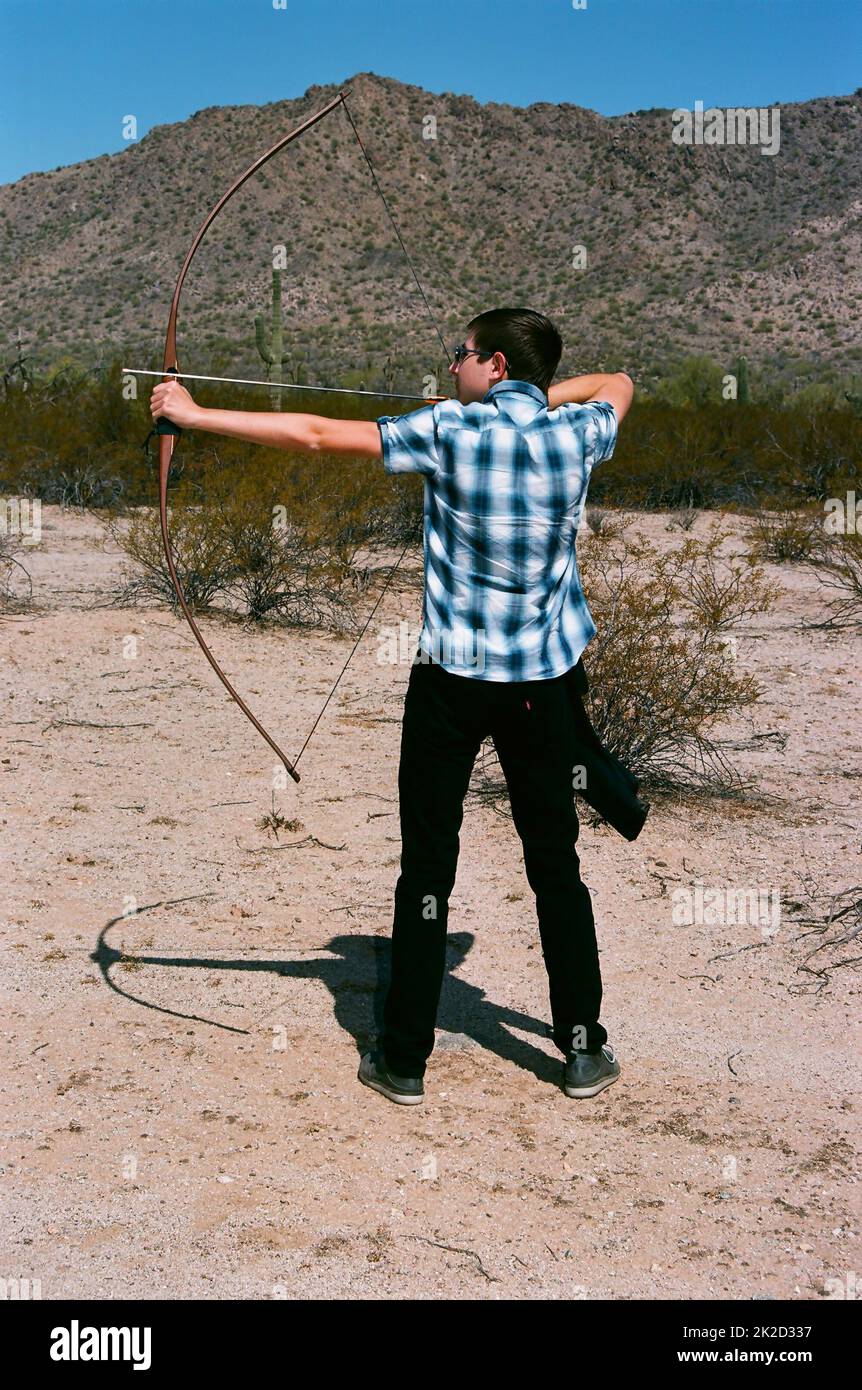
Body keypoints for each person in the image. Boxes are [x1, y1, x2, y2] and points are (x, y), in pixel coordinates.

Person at [150, 306, 638, 1108]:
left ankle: (405, 1061)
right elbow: (620, 381)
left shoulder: (449, 430)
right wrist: (535, 397)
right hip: (541, 690)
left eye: (465, 355)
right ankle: (581, 1051)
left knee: (427, 868)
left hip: (451, 686)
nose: (453, 367)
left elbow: (311, 435)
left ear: (499, 366)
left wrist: (192, 415)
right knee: (555, 863)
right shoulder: (579, 433)